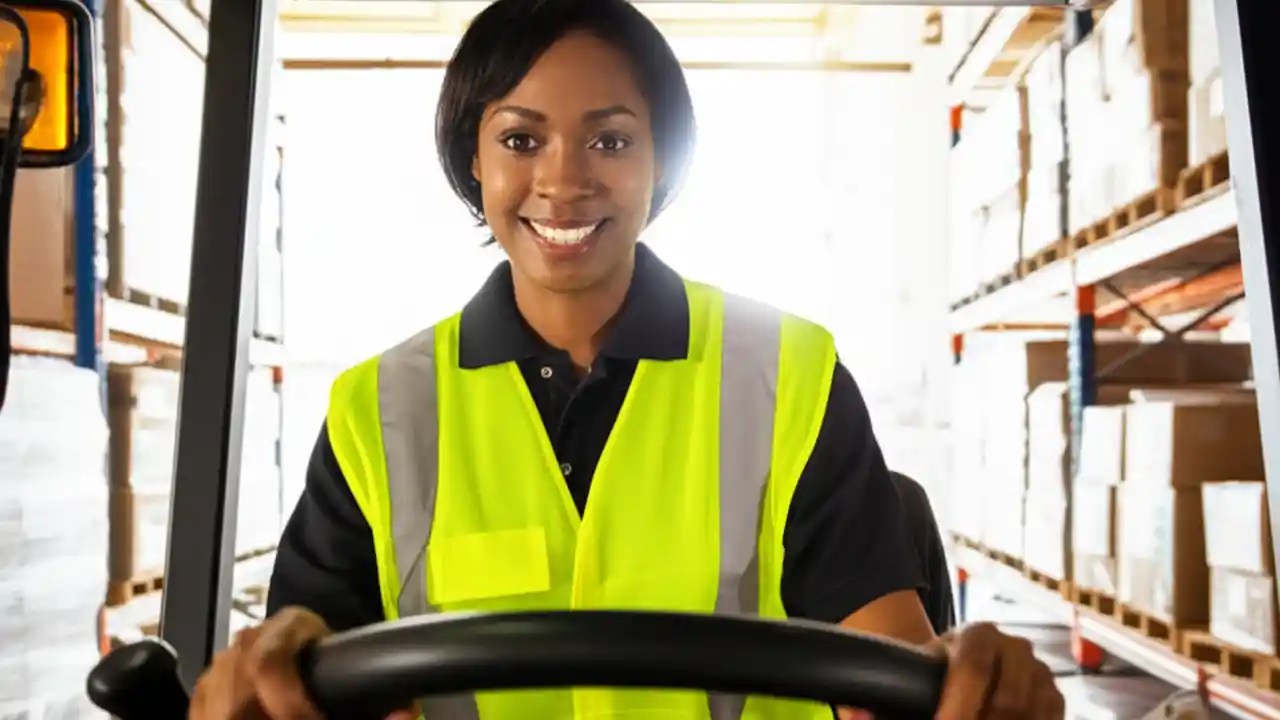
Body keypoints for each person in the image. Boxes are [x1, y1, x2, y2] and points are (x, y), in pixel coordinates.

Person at [189, 0, 1064, 718]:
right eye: (521, 140)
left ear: (661, 161)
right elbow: (303, 670)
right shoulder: (376, 410)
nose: (564, 181)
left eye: (610, 140)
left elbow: (892, 667)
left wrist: (971, 686)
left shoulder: (790, 374)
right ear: (473, 157)